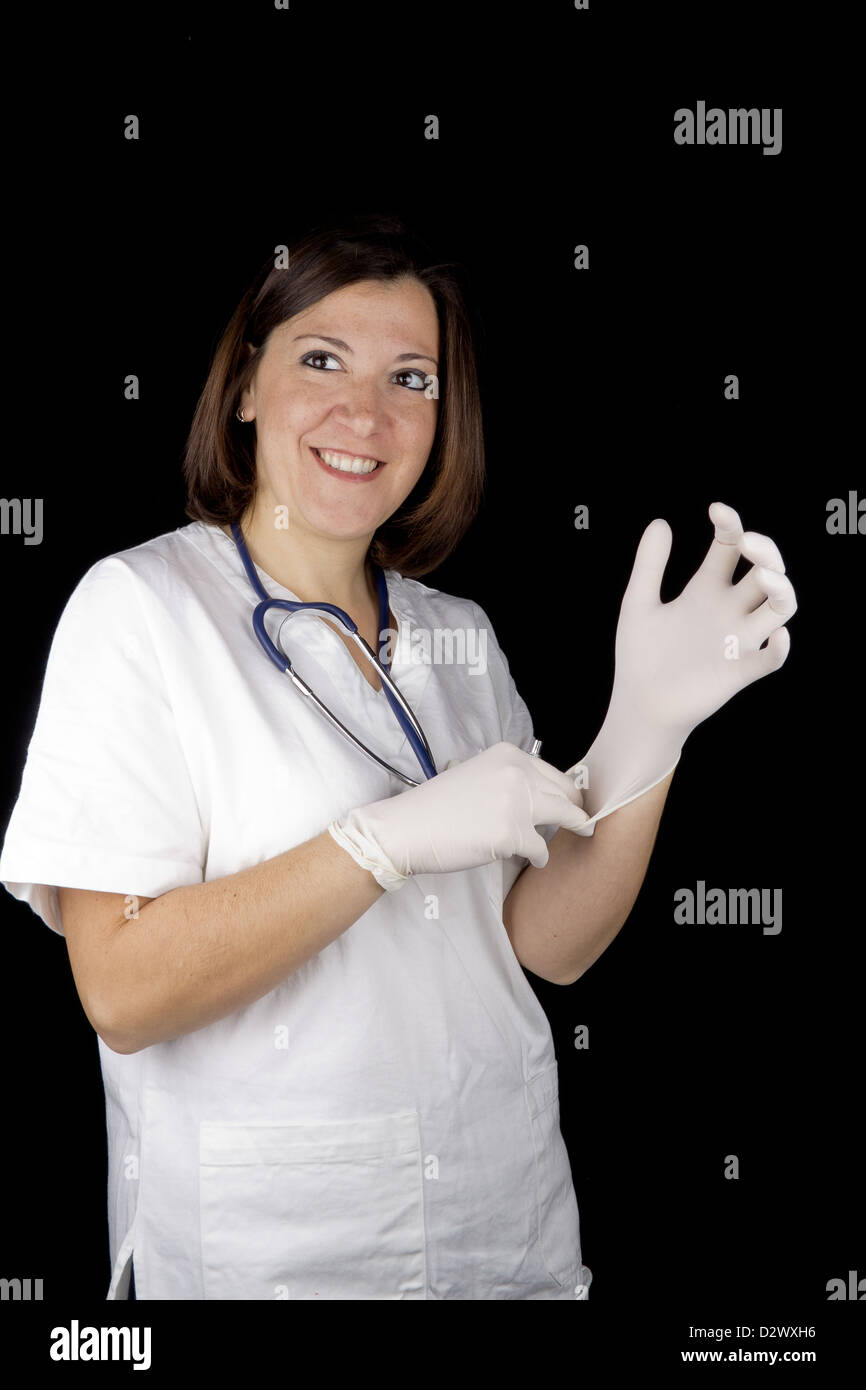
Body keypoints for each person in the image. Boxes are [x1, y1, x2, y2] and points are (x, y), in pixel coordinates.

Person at [0, 214, 796, 1301]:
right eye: (320, 359)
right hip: (279, 1256)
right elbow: (123, 990)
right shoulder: (140, 609)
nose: (363, 413)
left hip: (504, 1229)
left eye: (410, 378)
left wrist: (645, 731)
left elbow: (546, 946)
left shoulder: (456, 636)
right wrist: (380, 842)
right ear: (242, 387)